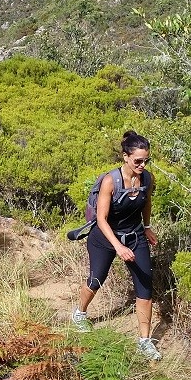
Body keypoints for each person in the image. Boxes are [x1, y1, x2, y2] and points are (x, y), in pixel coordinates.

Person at [72, 130, 162, 361]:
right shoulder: (111, 180)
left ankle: (144, 341)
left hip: (135, 235)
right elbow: (101, 219)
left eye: (146, 160)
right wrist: (118, 247)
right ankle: (80, 313)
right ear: (125, 157)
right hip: (105, 237)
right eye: (137, 161)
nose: (142, 165)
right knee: (96, 279)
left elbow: (147, 202)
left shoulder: (148, 179)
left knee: (145, 286)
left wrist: (148, 226)